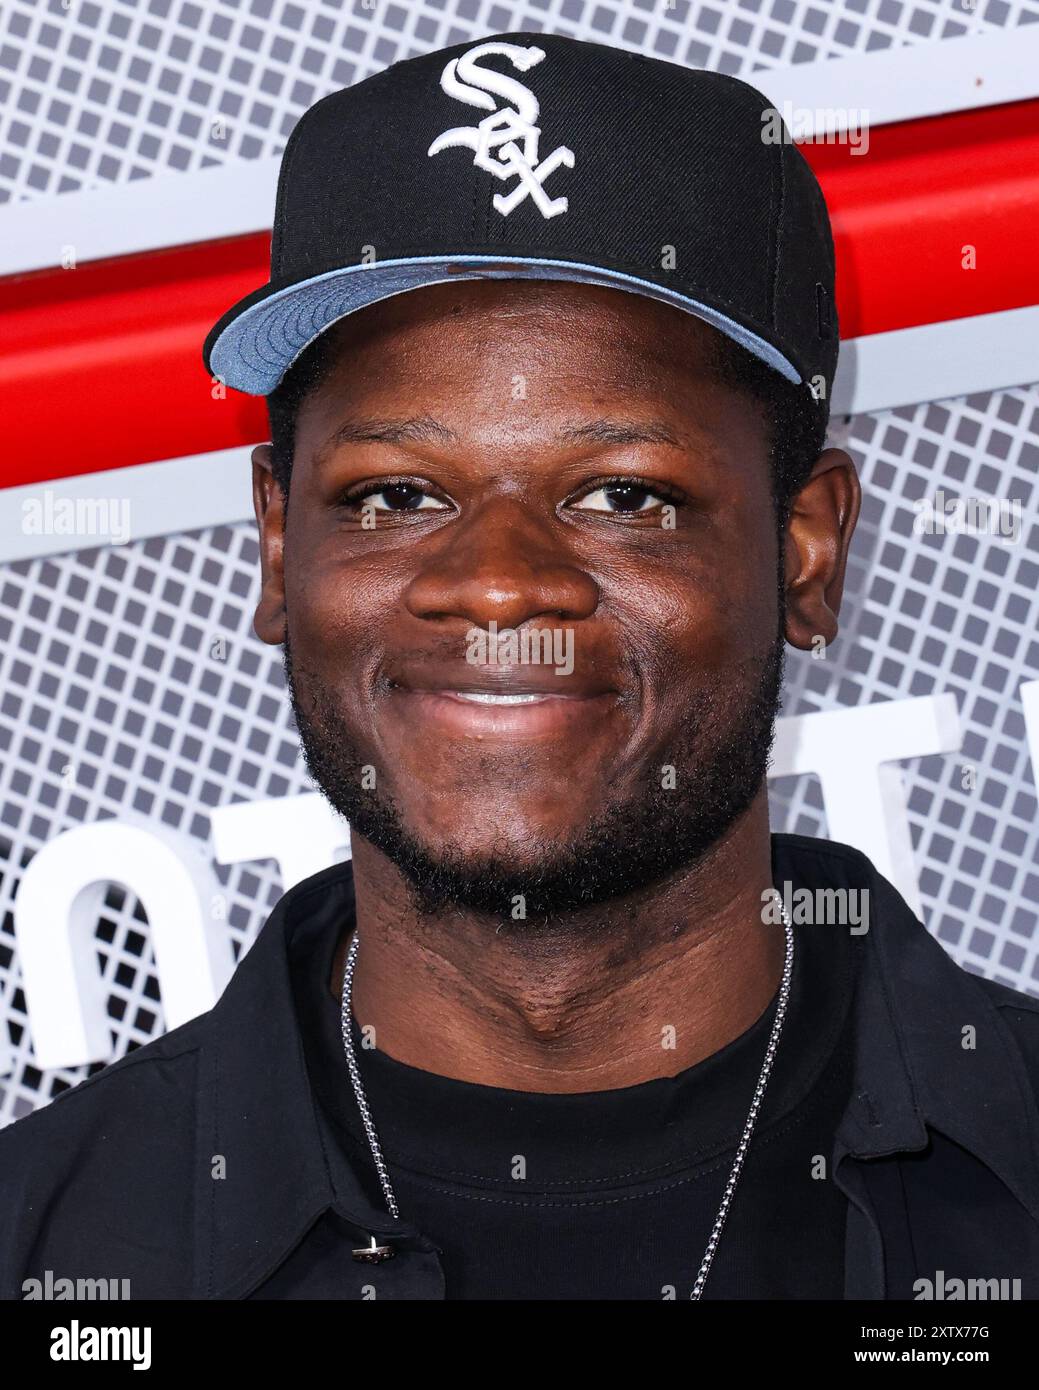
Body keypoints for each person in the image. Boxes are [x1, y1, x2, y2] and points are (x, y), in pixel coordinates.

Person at [3, 30, 1038, 1303]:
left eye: (622, 494)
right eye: (393, 492)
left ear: (806, 553)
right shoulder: (46, 1251)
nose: (496, 581)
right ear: (280, 548)